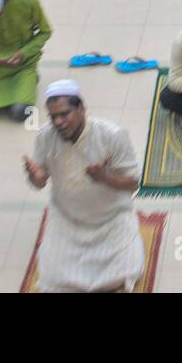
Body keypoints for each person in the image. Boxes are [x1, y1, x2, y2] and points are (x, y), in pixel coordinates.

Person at [24, 79, 144, 292]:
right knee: (53, 278)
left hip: (111, 218)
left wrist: (105, 177)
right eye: (53, 117)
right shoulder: (45, 136)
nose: (59, 122)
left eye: (64, 114)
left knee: (126, 272)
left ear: (81, 108)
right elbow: (40, 182)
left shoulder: (113, 135)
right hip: (67, 220)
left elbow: (134, 184)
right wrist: (36, 177)